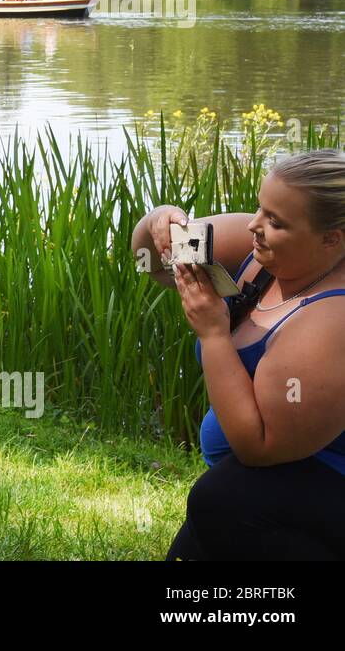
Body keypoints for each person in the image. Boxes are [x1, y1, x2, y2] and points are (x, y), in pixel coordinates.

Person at [131, 149, 345, 559]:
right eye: (261, 209)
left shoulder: (330, 321)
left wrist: (214, 334)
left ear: (331, 238)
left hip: (321, 489)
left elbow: (259, 446)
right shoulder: (258, 251)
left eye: (275, 222)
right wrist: (158, 221)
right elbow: (151, 263)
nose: (253, 226)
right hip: (257, 491)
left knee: (221, 499)